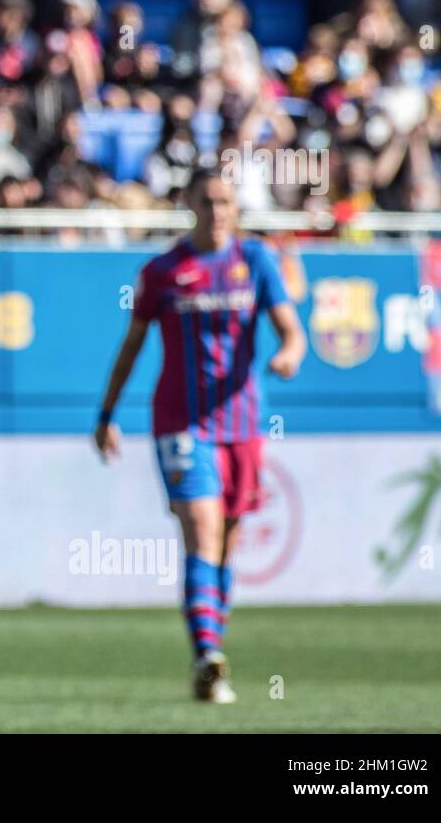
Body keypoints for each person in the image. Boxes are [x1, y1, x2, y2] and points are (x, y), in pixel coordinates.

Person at [93, 168, 306, 703]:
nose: (217, 211)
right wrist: (107, 412)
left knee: (229, 543)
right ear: (189, 204)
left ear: (237, 207)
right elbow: (132, 346)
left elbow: (290, 328)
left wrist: (289, 355)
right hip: (182, 424)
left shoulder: (254, 260)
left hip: (242, 424)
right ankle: (207, 653)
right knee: (203, 530)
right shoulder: (164, 271)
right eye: (208, 201)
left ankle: (210, 657)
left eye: (226, 202)